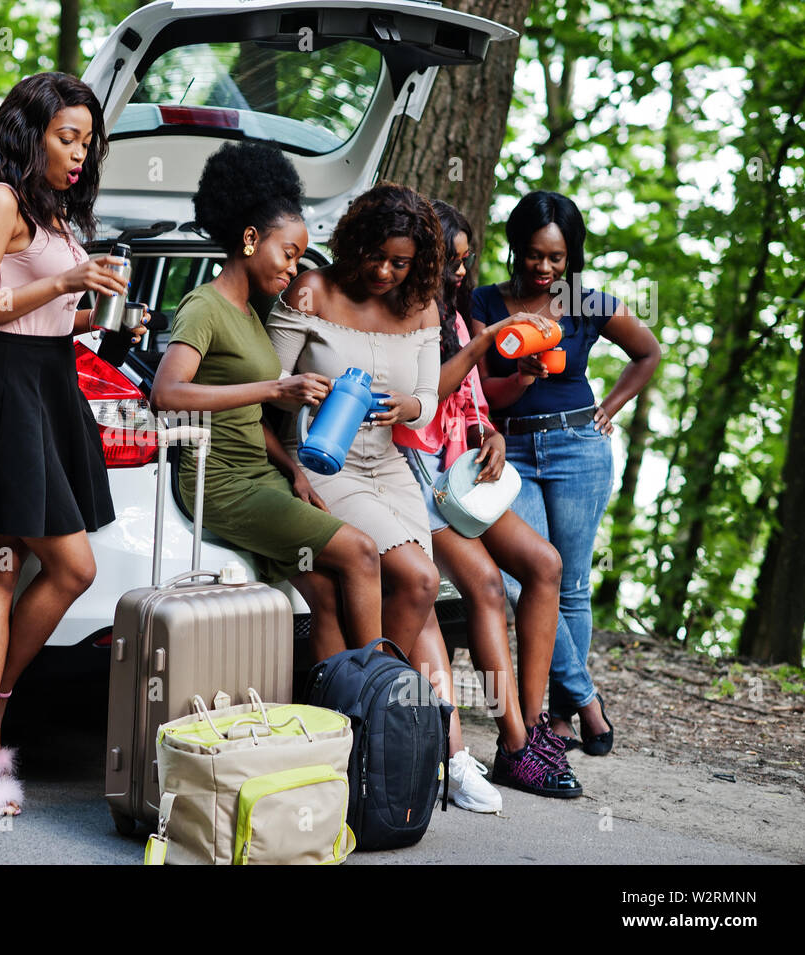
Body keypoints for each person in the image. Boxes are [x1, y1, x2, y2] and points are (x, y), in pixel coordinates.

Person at [0, 72, 147, 816]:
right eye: (66, 137)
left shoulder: (53, 214)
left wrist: (99, 322)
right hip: (6, 388)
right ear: (31, 133)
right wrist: (63, 286)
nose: (80, 153)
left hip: (48, 384)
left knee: (29, 567)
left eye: (88, 141)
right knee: (13, 566)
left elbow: (40, 314)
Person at [268, 182, 487, 800]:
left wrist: (404, 405)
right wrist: (292, 464)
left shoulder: (420, 309)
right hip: (325, 463)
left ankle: (361, 721)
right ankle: (377, 716)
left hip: (388, 466)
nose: (388, 272)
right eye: (379, 257)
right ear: (356, 243)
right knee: (419, 579)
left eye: (403, 262)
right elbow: (267, 388)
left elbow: (427, 403)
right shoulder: (311, 289)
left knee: (414, 583)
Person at [151, 142, 383, 662]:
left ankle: (344, 716)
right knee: (362, 553)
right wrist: (276, 389)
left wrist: (294, 471)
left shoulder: (253, 314)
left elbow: (245, 418)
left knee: (323, 595)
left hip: (261, 475)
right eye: (289, 253)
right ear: (251, 239)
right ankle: (380, 695)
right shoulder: (204, 307)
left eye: (300, 258)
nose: (293, 268)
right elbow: (166, 395)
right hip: (219, 484)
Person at [392, 199, 582, 806]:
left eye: (465, 263)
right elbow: (421, 398)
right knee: (487, 586)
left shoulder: (456, 318)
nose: (459, 274)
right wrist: (480, 346)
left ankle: (522, 740)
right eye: (449, 261)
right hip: (417, 481)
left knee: (546, 565)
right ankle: (517, 742)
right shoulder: (405, 318)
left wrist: (490, 432)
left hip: (462, 475)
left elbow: (471, 400)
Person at [474, 190, 660, 756]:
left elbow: (648, 353)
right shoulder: (484, 302)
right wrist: (525, 377)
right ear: (516, 249)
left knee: (572, 588)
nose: (545, 267)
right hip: (512, 452)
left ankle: (557, 717)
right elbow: (481, 389)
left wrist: (610, 408)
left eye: (557, 257)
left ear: (571, 256)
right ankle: (588, 702)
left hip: (580, 446)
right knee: (523, 579)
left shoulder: (588, 302)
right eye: (534, 254)